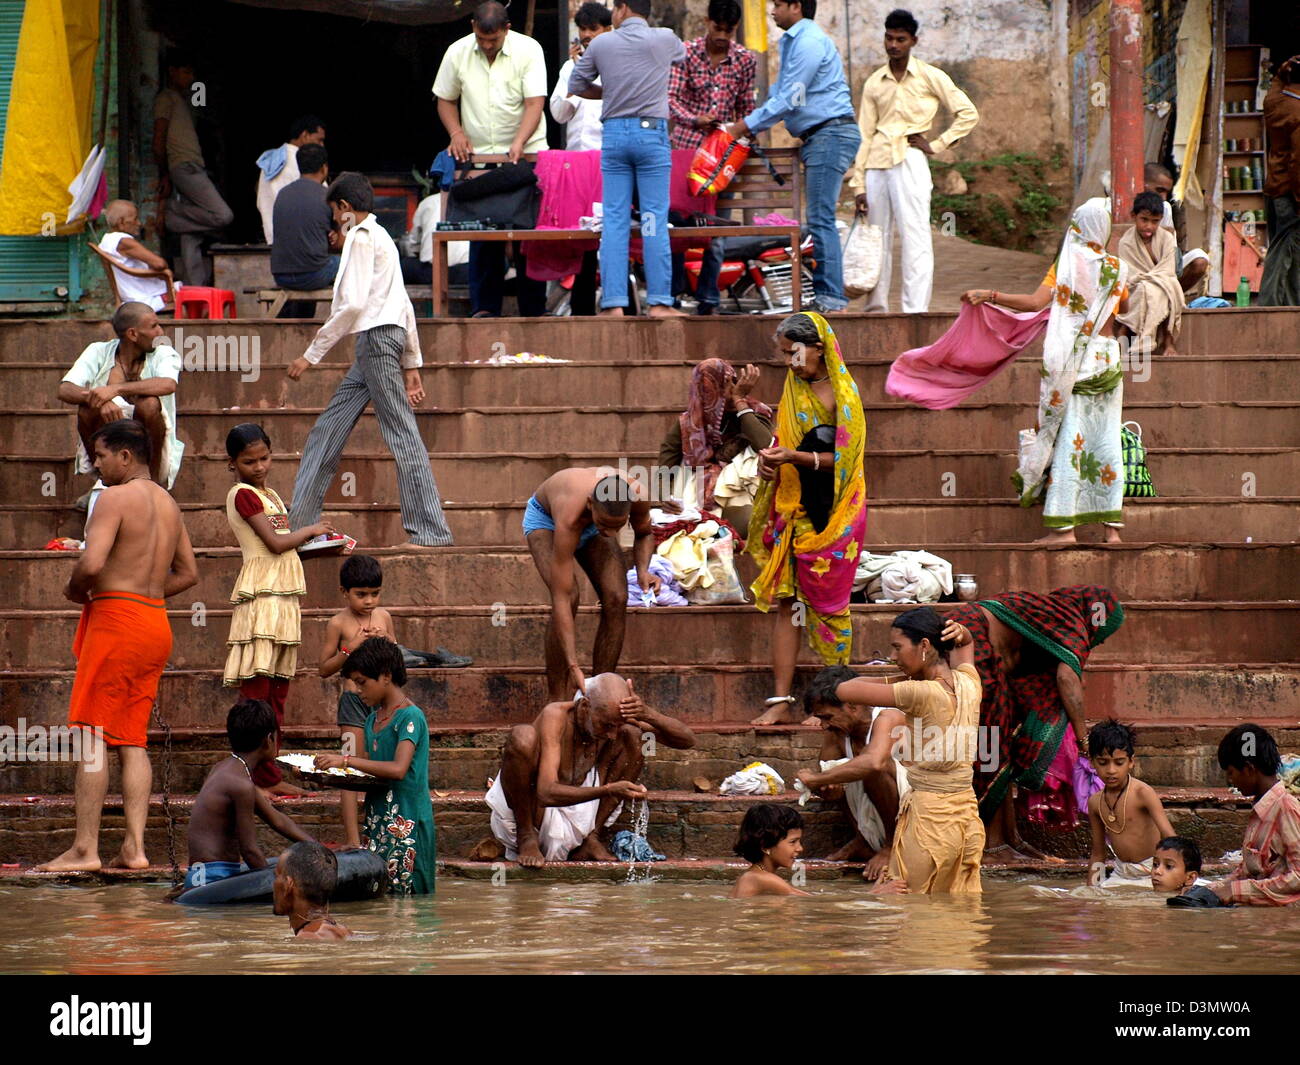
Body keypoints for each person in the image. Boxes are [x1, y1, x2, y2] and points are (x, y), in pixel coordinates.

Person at [36, 420, 199, 872]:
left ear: (126, 456)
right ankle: (134, 849)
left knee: (92, 734)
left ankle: (85, 849)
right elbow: (188, 574)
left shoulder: (114, 498)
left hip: (116, 621)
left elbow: (90, 561)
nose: (97, 466)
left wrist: (75, 591)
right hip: (154, 624)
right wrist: (144, 592)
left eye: (101, 456)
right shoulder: (168, 503)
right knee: (132, 739)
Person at [286, 172, 453, 548]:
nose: (333, 223)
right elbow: (404, 306)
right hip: (378, 343)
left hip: (376, 341)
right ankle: (302, 526)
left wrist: (310, 355)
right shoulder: (382, 238)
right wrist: (412, 364)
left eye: (334, 214)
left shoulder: (361, 238)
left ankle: (430, 532)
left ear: (344, 208)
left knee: (402, 434)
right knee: (326, 431)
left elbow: (354, 304)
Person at [961, 198, 1131, 544]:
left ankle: (1064, 530)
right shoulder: (1118, 268)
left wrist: (990, 294)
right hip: (1108, 360)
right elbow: (1123, 310)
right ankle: (1112, 531)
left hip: (1073, 364)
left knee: (1070, 440)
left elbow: (1034, 303)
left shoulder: (1067, 265)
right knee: (1106, 441)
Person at [746, 312, 867, 723]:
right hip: (793, 506)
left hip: (835, 512)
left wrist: (795, 457)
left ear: (819, 348)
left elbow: (846, 459)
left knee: (830, 605)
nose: (788, 362)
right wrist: (771, 465)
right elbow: (784, 440)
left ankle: (831, 706)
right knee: (786, 603)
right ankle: (780, 704)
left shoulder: (843, 392)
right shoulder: (794, 388)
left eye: (793, 353)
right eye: (783, 354)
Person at [828, 608, 985, 894]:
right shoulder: (970, 683)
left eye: (898, 647)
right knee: (958, 917)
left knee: (907, 907)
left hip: (929, 822)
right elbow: (966, 645)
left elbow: (844, 690)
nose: (893, 656)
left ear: (924, 646)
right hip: (967, 820)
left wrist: (905, 680)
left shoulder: (918, 692)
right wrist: (964, 634)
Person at [321, 554, 471, 848]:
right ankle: (353, 839)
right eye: (361, 594)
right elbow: (324, 668)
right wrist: (349, 649)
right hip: (354, 702)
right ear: (344, 592)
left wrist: (384, 641)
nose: (369, 601)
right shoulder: (337, 623)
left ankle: (383, 830)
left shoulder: (384, 617)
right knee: (349, 772)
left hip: (382, 706)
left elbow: (394, 655)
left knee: (379, 765)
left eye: (374, 594)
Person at [724, 0, 860, 313]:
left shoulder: (809, 40)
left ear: (796, 6)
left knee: (820, 218)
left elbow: (789, 97)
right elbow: (780, 93)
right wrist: (753, 122)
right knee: (819, 216)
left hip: (830, 134)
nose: (772, 11)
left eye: (778, 5)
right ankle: (828, 294)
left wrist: (744, 125)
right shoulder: (795, 41)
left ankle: (831, 297)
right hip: (820, 136)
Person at [483, 672, 696, 867]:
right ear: (584, 707)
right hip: (536, 810)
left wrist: (648, 714)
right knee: (523, 736)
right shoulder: (555, 716)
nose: (612, 735)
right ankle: (526, 836)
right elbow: (546, 792)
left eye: (615, 726)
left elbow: (687, 740)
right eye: (606, 725)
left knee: (634, 735)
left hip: (581, 808)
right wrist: (610, 789)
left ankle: (592, 837)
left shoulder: (616, 718)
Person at [223, 423, 332, 795]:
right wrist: (312, 530)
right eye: (249, 461)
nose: (259, 467)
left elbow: (286, 545)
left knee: (277, 695)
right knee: (256, 694)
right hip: (262, 599)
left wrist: (324, 545)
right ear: (232, 463)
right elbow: (273, 542)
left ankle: (270, 777)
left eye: (264, 458)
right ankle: (249, 778)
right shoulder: (243, 496)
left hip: (282, 598)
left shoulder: (268, 494)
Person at [850, 9, 978, 313]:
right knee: (876, 240)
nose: (893, 45)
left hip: (911, 159)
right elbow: (864, 135)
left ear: (913, 41)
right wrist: (858, 184)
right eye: (889, 38)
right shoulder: (874, 83)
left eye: (900, 39)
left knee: (916, 237)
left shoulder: (929, 76)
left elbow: (968, 112)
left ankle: (914, 311)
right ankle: (876, 308)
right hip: (876, 164)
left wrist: (936, 144)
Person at [569, 0, 688, 318]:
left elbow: (576, 84)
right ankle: (660, 303)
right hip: (653, 137)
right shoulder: (665, 38)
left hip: (616, 135)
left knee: (615, 221)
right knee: (653, 220)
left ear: (621, 9)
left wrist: (612, 91)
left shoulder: (603, 43)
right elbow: (684, 60)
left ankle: (614, 305)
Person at [433, 1, 549, 317]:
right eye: (482, 39)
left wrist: (519, 142)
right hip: (479, 160)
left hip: (526, 156)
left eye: (493, 40)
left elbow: (534, 102)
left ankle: (532, 311)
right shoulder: (457, 52)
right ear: (472, 26)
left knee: (528, 234)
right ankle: (484, 310)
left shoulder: (529, 49)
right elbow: (445, 99)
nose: (486, 45)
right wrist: (456, 133)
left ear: (506, 30)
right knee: (482, 233)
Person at [524, 466, 665, 701]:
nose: (610, 532)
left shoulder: (637, 495)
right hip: (546, 520)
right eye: (606, 524)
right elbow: (560, 596)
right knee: (570, 598)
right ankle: (557, 698)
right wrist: (573, 666)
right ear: (590, 503)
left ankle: (601, 691)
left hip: (591, 523)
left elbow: (644, 533)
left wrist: (643, 570)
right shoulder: (569, 516)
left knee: (617, 596)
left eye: (618, 526)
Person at [315, 638, 437, 895]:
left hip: (408, 822)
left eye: (362, 682)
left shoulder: (410, 716)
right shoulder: (372, 720)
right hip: (379, 822)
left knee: (411, 902)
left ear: (385, 676)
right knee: (385, 900)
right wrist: (324, 774)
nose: (359, 690)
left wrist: (345, 760)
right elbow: (370, 769)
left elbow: (397, 769)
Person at [667, 0, 756, 314]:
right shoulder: (685, 52)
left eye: (729, 31)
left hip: (722, 157)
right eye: (717, 28)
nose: (722, 36)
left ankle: (708, 298)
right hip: (685, 151)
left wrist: (737, 131)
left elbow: (747, 109)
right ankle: (674, 295)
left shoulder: (744, 59)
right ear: (707, 22)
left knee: (716, 228)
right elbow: (671, 100)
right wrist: (695, 119)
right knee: (677, 225)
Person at [182, 700, 315, 892]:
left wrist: (319, 849)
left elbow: (278, 820)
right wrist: (275, 887)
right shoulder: (240, 785)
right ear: (269, 739)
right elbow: (250, 851)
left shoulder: (225, 769)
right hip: (214, 879)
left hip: (200, 876)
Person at [796, 665, 909, 878]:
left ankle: (891, 848)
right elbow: (826, 778)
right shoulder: (837, 732)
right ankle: (863, 839)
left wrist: (817, 778)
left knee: (870, 766)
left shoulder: (890, 717)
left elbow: (874, 763)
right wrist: (828, 788)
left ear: (853, 706)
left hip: (916, 816)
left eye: (827, 717)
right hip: (880, 816)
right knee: (838, 771)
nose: (823, 726)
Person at [58, 301, 185, 489]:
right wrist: (100, 401)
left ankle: (152, 484)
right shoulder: (98, 351)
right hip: (110, 440)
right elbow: (64, 389)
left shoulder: (163, 352)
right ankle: (103, 481)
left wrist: (115, 390)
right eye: (153, 326)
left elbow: (168, 384)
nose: (160, 332)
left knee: (149, 404)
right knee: (87, 409)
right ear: (133, 334)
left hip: (149, 444)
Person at [658, 358, 773, 531]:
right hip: (699, 494)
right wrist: (665, 497)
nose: (727, 390)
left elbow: (764, 443)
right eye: (719, 386)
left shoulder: (755, 411)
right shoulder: (689, 422)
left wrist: (739, 401)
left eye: (731, 383)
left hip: (743, 496)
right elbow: (666, 463)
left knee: (751, 457)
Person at [153, 50, 234, 286]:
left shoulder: (183, 101)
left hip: (190, 165)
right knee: (222, 215)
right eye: (186, 72)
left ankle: (194, 290)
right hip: (185, 167)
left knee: (191, 233)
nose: (190, 78)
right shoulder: (165, 98)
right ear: (172, 72)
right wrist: (165, 172)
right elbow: (158, 140)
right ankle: (169, 215)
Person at [1208, 723, 1300, 906]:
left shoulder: (1286, 808)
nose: (1230, 780)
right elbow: (1248, 872)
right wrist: (1212, 889)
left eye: (1231, 773)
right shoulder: (1260, 810)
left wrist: (1236, 891)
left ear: (1249, 769)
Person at [1084, 719, 1175, 888]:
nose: (1111, 770)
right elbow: (1098, 853)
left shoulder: (1142, 793)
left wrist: (1174, 876)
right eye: (1103, 763)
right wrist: (1091, 888)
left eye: (1119, 763)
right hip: (1121, 873)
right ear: (1092, 762)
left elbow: (1170, 836)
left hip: (1152, 872)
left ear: (1131, 762)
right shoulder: (1095, 802)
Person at [270, 143, 339, 319]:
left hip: (280, 275)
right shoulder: (328, 196)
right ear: (324, 168)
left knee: (312, 261)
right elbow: (342, 238)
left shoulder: (282, 194)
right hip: (313, 275)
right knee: (347, 260)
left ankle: (299, 327)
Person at [1115, 190, 1184, 357]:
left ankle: (1168, 341)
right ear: (1134, 216)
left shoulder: (1167, 238)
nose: (1149, 226)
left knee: (1164, 289)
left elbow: (1168, 270)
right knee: (1144, 290)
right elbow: (1129, 273)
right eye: (1144, 220)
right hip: (1136, 285)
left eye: (1155, 222)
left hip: (1162, 282)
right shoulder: (1126, 242)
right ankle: (1128, 337)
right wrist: (1148, 281)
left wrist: (1152, 281)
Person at [1260, 55, 1300, 307]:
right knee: (1285, 252)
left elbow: (1273, 90)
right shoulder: (1298, 111)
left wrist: (1280, 74)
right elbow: (1298, 163)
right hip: (1290, 193)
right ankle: (1271, 307)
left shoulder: (1275, 102)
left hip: (1275, 189)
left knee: (1286, 250)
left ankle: (1285, 306)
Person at [1140, 163, 1211, 300]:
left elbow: (1170, 248)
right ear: (1142, 184)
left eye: (1166, 192)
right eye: (1159, 190)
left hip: (1161, 268)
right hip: (1134, 269)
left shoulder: (1164, 207)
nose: (1163, 197)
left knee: (1200, 259)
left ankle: (1170, 300)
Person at [255, 114, 327, 244]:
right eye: (319, 140)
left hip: (273, 238)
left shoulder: (272, 161)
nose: (322, 146)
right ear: (305, 135)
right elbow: (324, 201)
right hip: (299, 242)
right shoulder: (302, 162)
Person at [550, 2, 612, 151]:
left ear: (608, 30)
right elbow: (559, 115)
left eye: (593, 29)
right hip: (576, 153)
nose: (586, 35)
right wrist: (578, 74)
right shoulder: (569, 67)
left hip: (608, 154)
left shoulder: (617, 66)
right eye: (583, 29)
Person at [98, 200, 174, 312]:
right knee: (189, 304)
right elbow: (160, 264)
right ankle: (179, 330)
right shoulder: (123, 241)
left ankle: (177, 329)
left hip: (133, 295)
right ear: (121, 222)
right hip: (145, 297)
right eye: (135, 219)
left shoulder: (107, 241)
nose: (139, 223)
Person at [273, 841, 352, 940]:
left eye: (276, 876)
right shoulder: (345, 932)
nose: (274, 883)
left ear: (288, 886)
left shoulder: (308, 937)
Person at [730, 804, 811, 897]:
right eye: (793, 842)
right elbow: (808, 900)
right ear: (766, 846)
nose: (800, 848)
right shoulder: (761, 878)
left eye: (799, 841)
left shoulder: (753, 875)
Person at [399, 186, 469, 287]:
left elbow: (414, 245)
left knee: (405, 265)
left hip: (435, 273)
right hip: (466, 273)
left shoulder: (429, 202)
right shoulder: (475, 203)